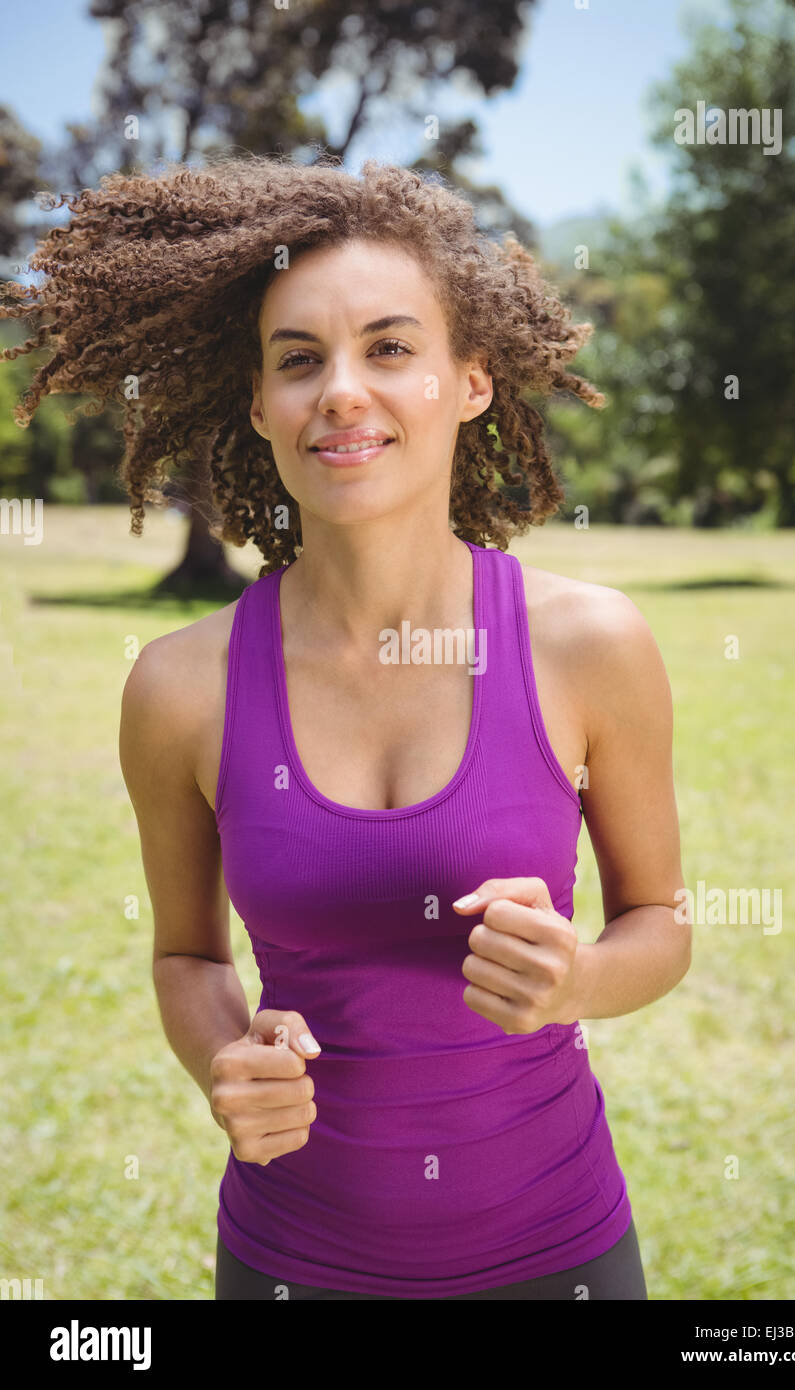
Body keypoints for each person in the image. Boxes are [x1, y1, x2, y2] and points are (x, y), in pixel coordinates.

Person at [2, 153, 690, 1300]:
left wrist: (577, 980)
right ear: (259, 402)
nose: (339, 392)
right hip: (291, 1265)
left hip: (556, 1254)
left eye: (387, 348)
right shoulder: (182, 686)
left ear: (467, 381)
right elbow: (183, 955)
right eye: (297, 360)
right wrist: (224, 1053)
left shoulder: (588, 644)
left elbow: (658, 921)